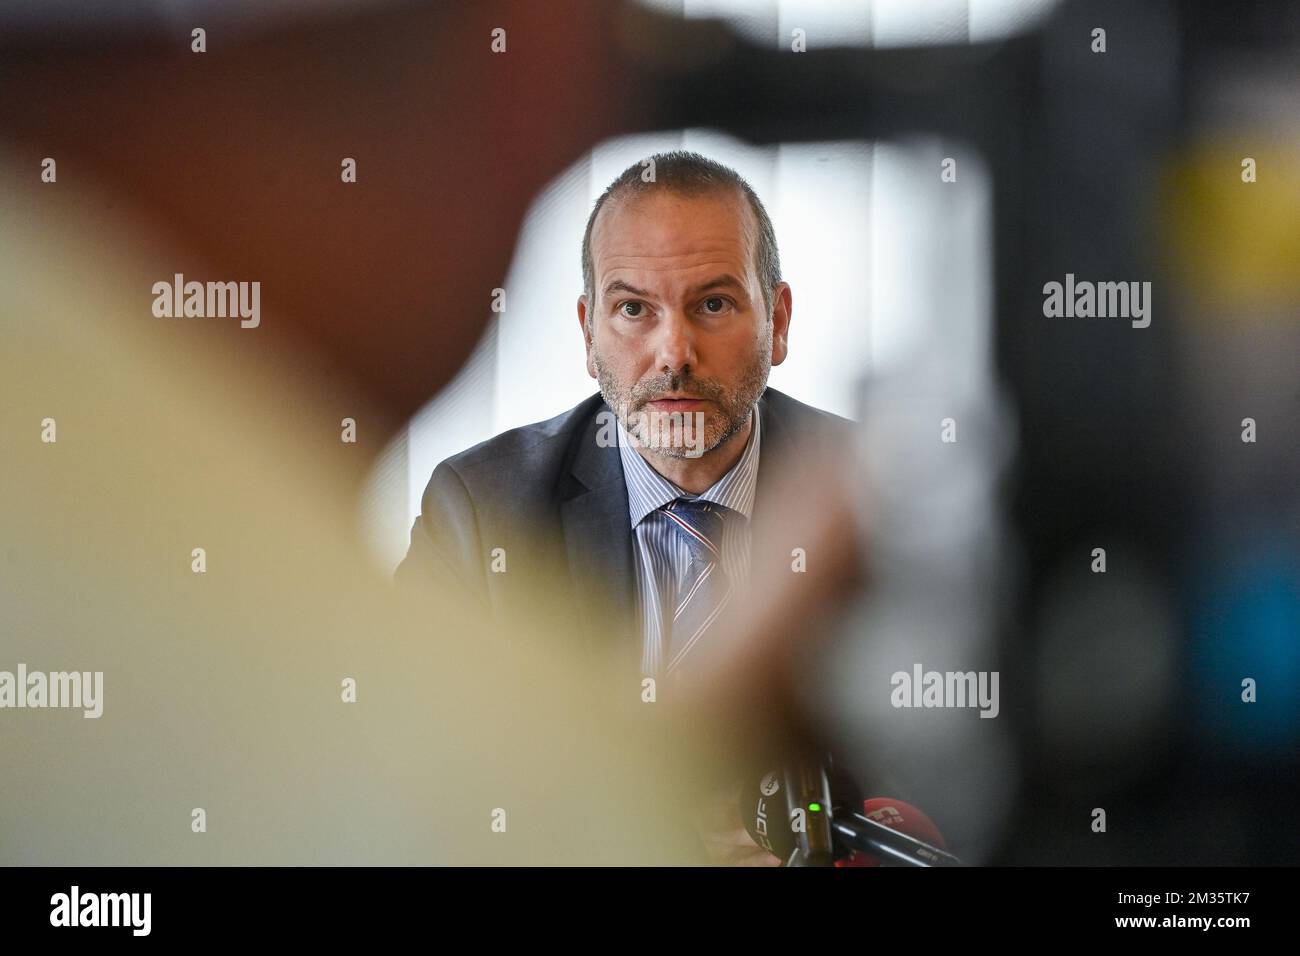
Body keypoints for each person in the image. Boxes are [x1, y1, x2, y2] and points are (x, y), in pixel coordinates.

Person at [397, 152, 852, 689]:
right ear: (589, 336)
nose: (675, 354)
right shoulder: (479, 512)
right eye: (634, 309)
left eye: (713, 304)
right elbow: (412, 747)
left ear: (776, 322)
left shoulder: (873, 493)